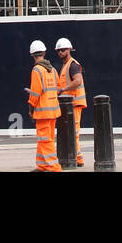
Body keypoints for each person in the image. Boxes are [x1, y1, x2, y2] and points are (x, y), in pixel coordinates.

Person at [27, 40, 62, 172]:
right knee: (48, 138)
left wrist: (31, 107)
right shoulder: (52, 69)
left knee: (45, 140)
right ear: (44, 53)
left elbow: (35, 93)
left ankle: (54, 167)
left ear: (32, 55)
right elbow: (58, 88)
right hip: (53, 110)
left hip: (42, 112)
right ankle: (42, 165)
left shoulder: (37, 70)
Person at [55, 37, 87, 167]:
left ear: (69, 49)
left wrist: (63, 89)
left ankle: (78, 159)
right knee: (71, 132)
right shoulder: (66, 65)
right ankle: (76, 157)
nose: (60, 53)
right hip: (69, 104)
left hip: (74, 103)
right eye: (58, 51)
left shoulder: (72, 65)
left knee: (74, 132)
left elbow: (78, 81)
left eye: (62, 50)